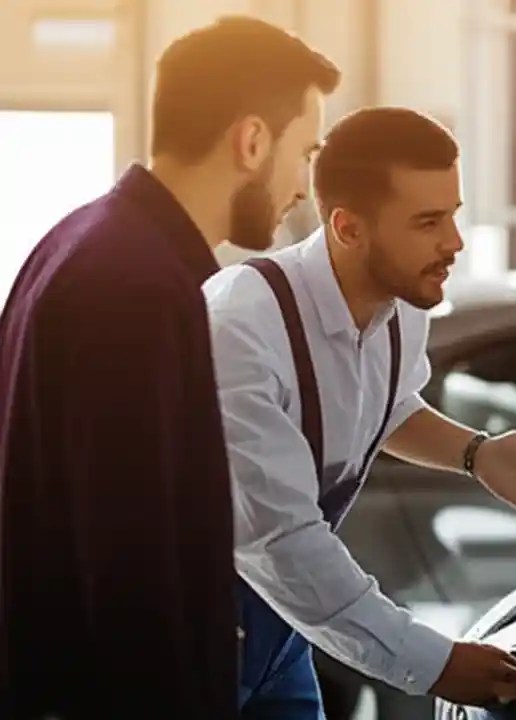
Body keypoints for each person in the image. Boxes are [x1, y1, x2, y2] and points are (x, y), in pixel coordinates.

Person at [0, 16, 340, 719]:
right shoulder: (139, 289)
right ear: (251, 141)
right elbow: (133, 568)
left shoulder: (77, 241)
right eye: (303, 152)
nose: (305, 187)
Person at [203, 106, 516, 718]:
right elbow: (281, 541)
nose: (454, 243)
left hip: (279, 633)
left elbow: (388, 405)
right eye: (428, 222)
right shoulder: (240, 326)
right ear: (348, 228)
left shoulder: (403, 307)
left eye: (454, 216)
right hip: (183, 637)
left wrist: (477, 453)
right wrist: (433, 662)